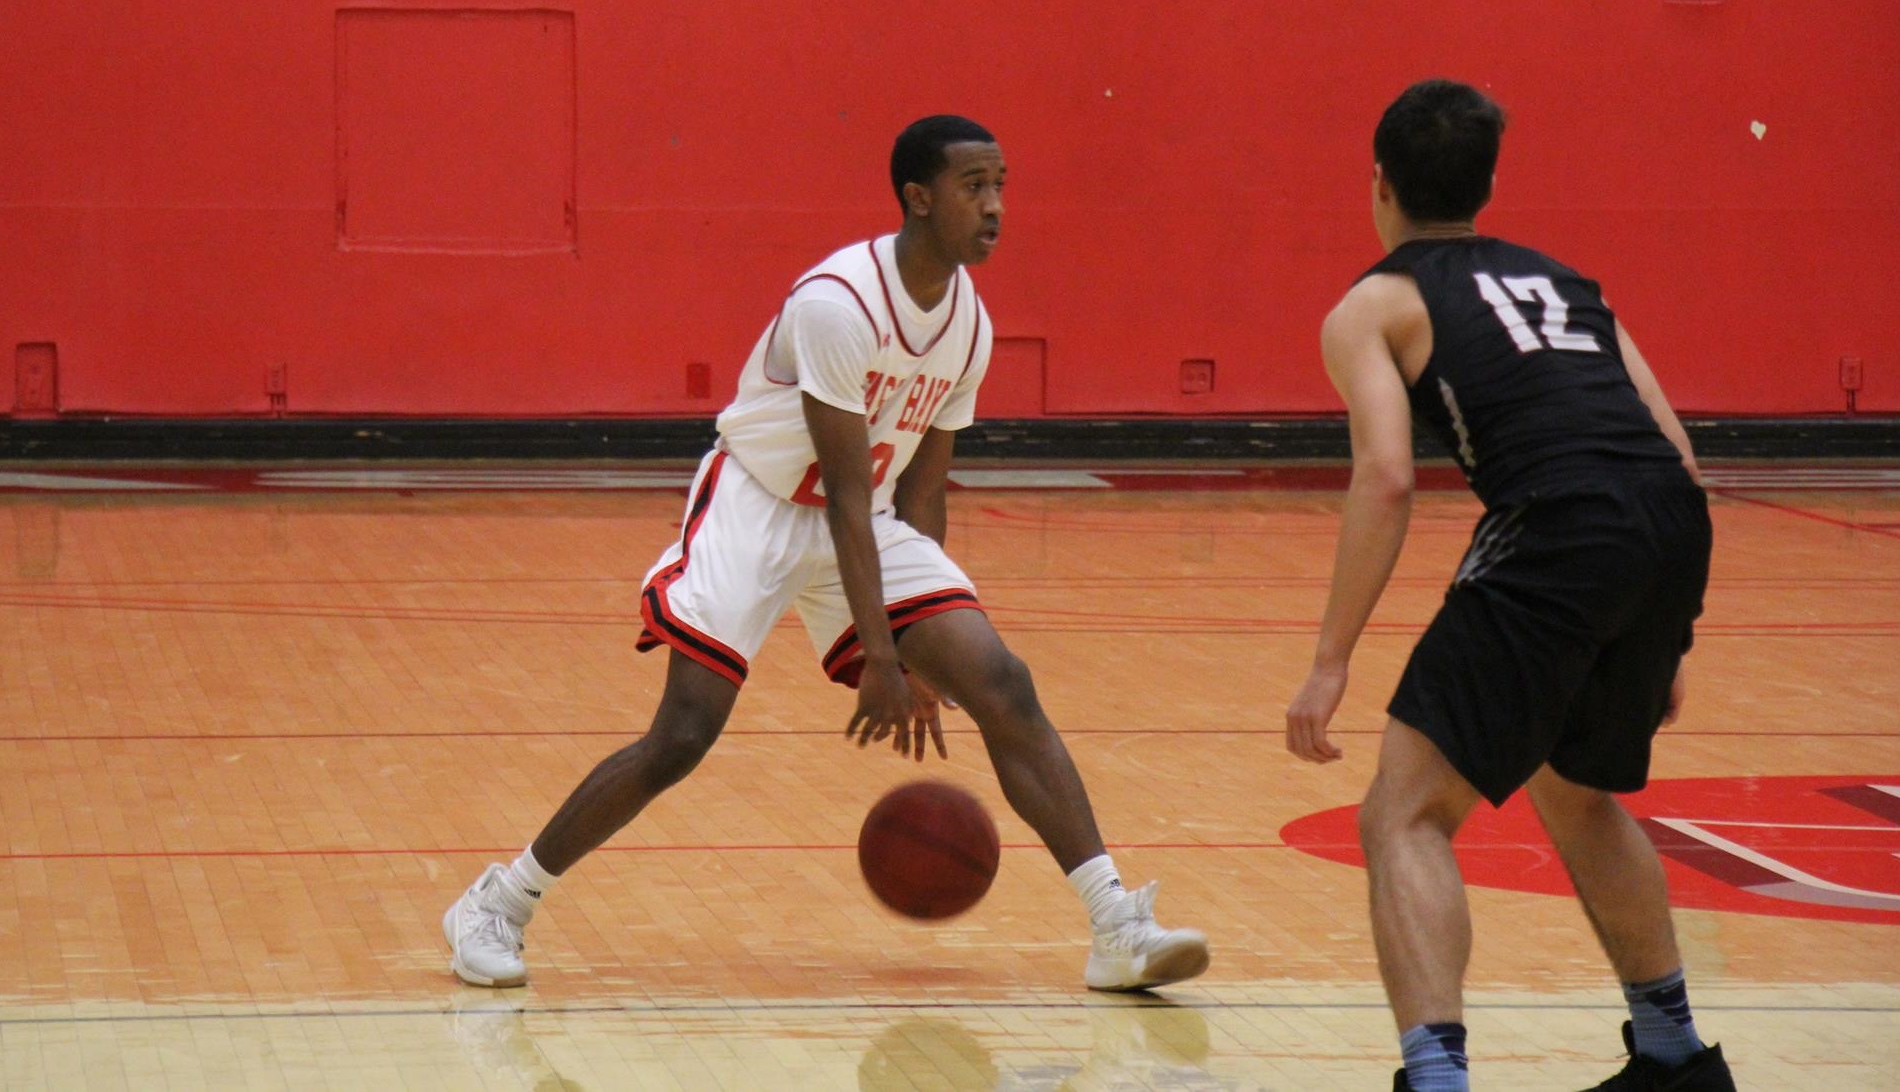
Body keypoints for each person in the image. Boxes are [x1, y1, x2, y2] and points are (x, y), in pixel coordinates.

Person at [445, 114, 1208, 995]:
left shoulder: (969, 325)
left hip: (869, 516)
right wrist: (879, 656)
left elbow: (918, 491)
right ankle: (497, 902)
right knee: (682, 735)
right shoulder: (837, 304)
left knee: (1001, 682)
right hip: (760, 506)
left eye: (1001, 184)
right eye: (974, 187)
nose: (996, 206)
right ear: (918, 199)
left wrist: (924, 654)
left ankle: (1116, 922)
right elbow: (842, 489)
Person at [1284, 81, 1735, 1091]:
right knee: (1577, 789)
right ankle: (1675, 1058)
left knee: (1402, 815)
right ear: (1487, 183)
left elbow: (1387, 476)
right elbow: (1678, 455)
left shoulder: (1372, 305)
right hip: (1665, 525)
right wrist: (1665, 636)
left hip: (1559, 527)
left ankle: (1435, 1079)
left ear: (1379, 185)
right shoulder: (1568, 280)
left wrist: (1327, 663)